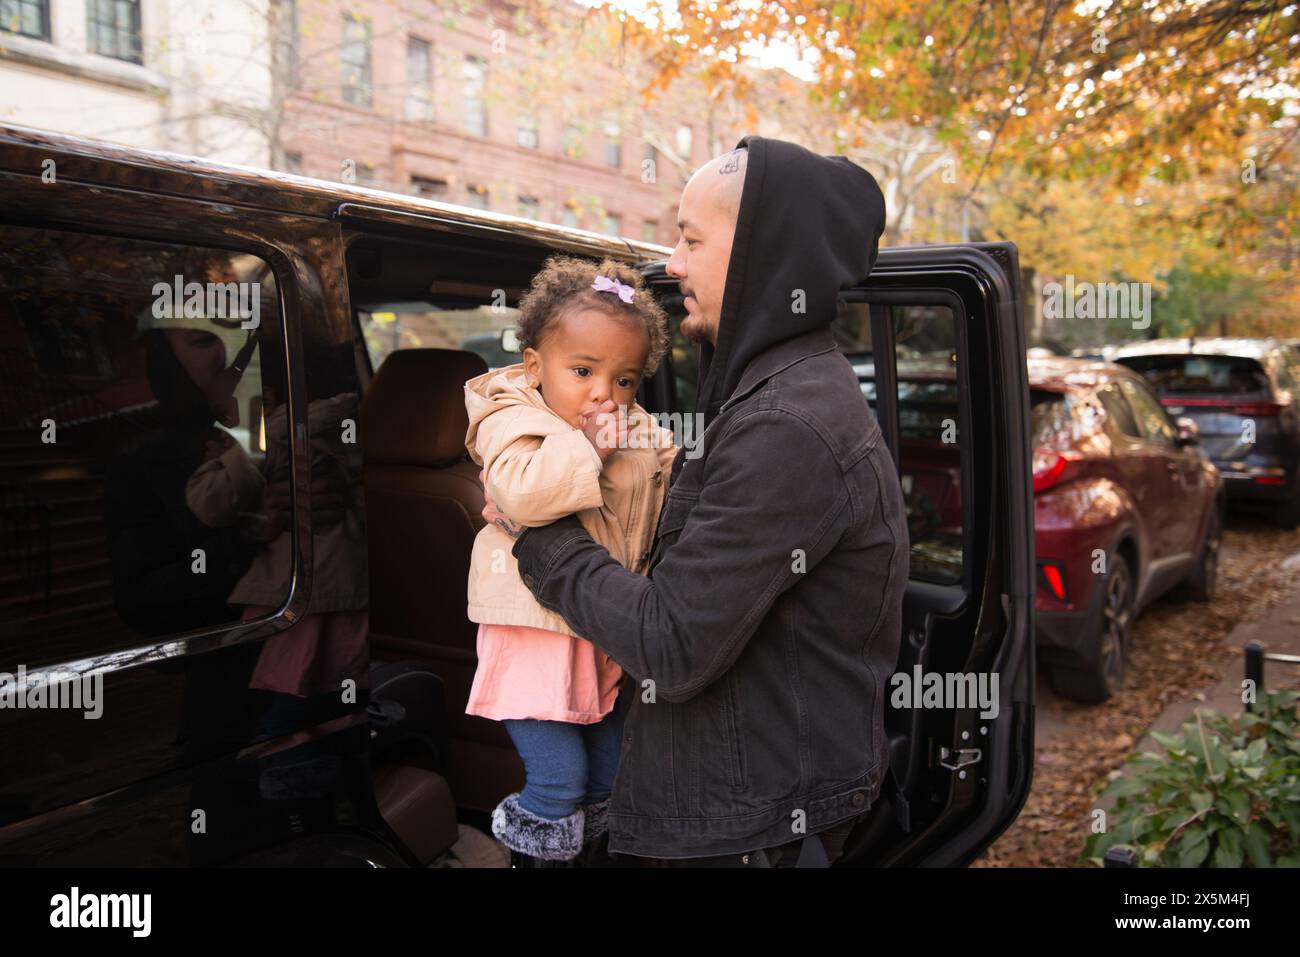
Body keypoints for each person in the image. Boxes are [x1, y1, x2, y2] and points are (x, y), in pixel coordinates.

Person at [490, 135, 908, 867]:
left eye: (690, 239)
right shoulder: (769, 392)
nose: (671, 263)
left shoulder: (788, 424)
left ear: (758, 253)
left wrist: (536, 537)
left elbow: (672, 645)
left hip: (745, 828)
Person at [462, 256, 677, 863]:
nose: (604, 394)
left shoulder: (634, 427)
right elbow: (524, 496)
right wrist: (588, 447)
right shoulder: (510, 418)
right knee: (557, 783)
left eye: (626, 379)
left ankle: (591, 856)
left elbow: (673, 481)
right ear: (535, 365)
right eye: (582, 370)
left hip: (600, 629)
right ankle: (533, 856)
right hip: (532, 631)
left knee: (610, 776)